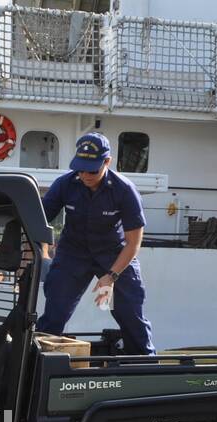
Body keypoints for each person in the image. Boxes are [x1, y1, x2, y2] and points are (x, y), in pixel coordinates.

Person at [36, 133, 154, 354]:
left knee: (131, 314)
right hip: (73, 253)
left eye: (92, 170)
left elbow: (133, 243)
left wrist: (112, 276)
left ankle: (143, 364)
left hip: (114, 253)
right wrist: (42, 254)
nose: (85, 175)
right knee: (55, 311)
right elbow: (39, 220)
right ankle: (39, 365)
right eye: (80, 169)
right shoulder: (65, 184)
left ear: (107, 162)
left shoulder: (125, 190)